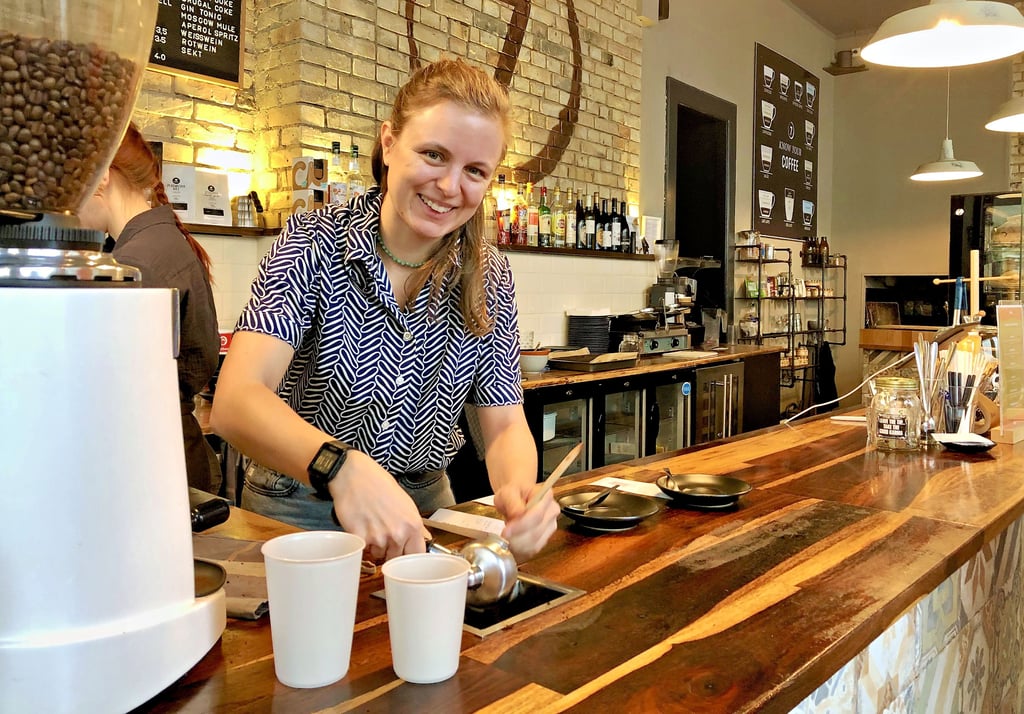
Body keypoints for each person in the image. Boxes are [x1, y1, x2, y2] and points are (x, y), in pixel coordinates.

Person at [210, 58, 559, 562]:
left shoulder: (488, 272)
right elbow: (236, 400)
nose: (450, 187)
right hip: (299, 503)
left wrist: (521, 493)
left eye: (475, 171)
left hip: (424, 506)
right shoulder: (314, 241)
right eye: (434, 154)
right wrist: (341, 467)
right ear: (389, 143)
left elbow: (504, 424)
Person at [79, 123, 221, 492]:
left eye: (74, 187)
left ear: (102, 178)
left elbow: (110, 389)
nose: (69, 207)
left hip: (150, 461)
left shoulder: (134, 264)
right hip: (173, 451)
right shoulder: (160, 241)